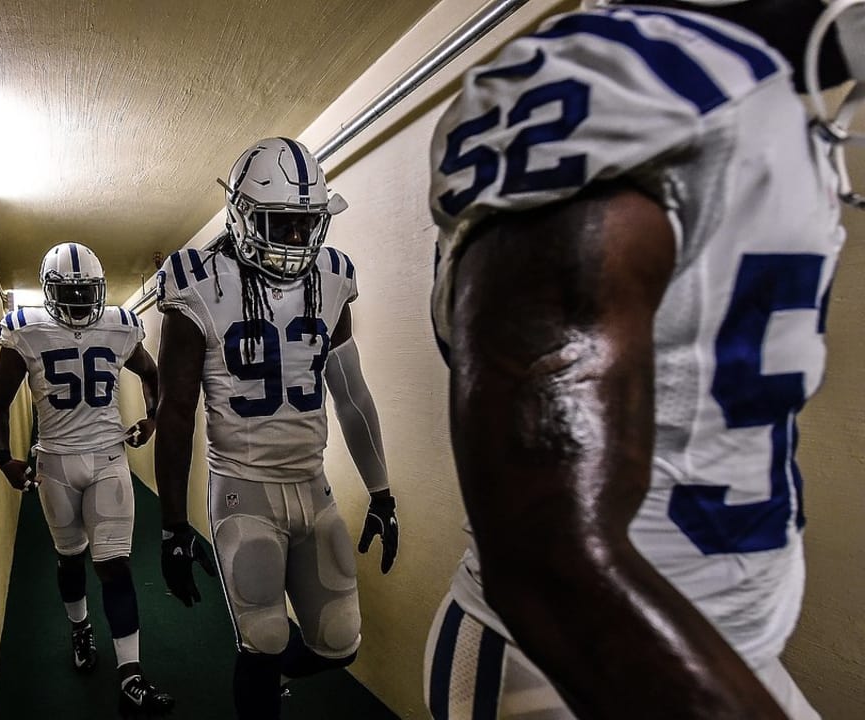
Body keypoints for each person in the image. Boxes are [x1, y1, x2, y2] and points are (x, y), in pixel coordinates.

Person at [425, 0, 863, 717]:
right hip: (564, 657)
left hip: (718, 639)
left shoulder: (767, 108)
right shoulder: (631, 84)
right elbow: (548, 554)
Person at [154, 137, 401, 719]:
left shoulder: (334, 276)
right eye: (280, 222)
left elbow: (352, 393)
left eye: (307, 223)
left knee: (339, 642)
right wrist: (169, 524)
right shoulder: (196, 280)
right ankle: (264, 682)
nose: (296, 239)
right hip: (242, 488)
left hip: (312, 486)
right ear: (241, 215)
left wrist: (382, 491)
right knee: (260, 641)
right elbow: (174, 409)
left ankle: (275, 675)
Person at [0, 242, 173, 716]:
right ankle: (80, 627)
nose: (79, 303)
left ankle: (130, 672)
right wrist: (4, 457)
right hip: (55, 466)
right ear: (48, 292)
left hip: (108, 458)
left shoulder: (119, 325)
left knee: (115, 566)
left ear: (101, 290)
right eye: (69, 293)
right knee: (70, 560)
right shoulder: (25, 330)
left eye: (87, 292)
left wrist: (154, 417)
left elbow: (152, 373)